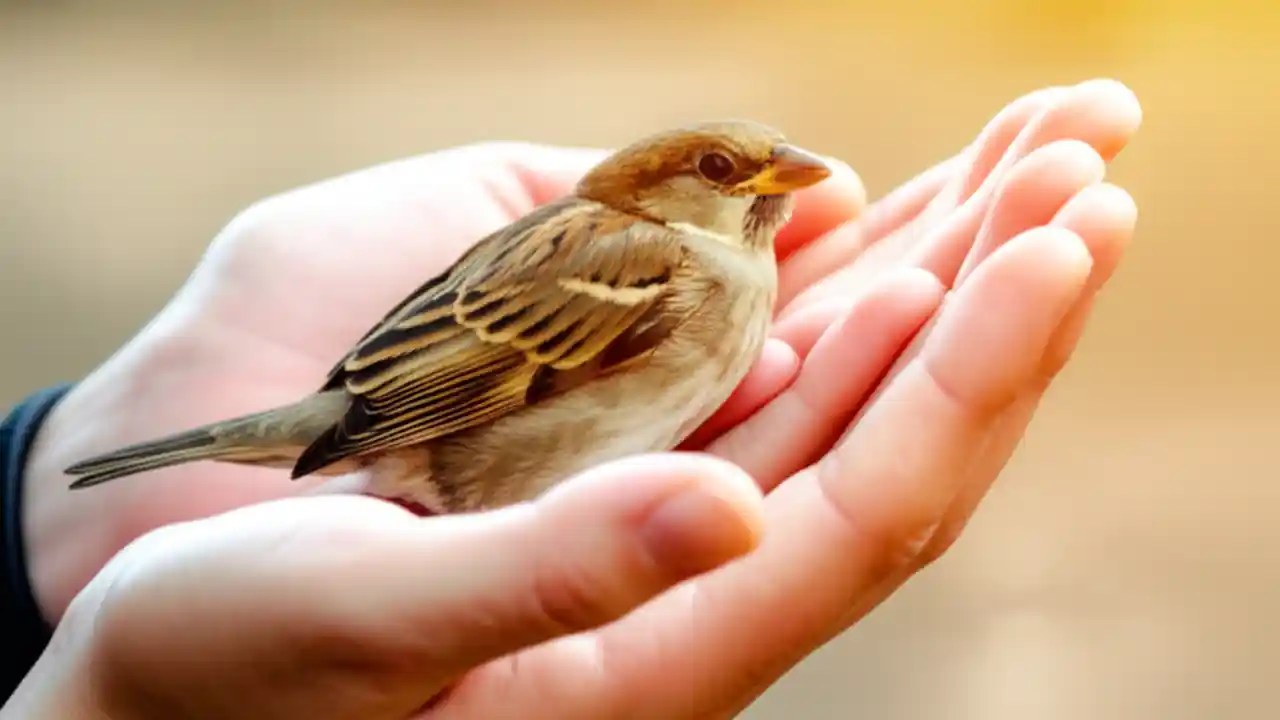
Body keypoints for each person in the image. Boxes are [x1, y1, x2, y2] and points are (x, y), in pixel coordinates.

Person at [0, 80, 1141, 718]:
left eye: (760, 167)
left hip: (394, 404)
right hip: (449, 431)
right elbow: (486, 362)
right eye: (723, 171)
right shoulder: (662, 262)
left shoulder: (695, 265)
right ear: (655, 190)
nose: (770, 185)